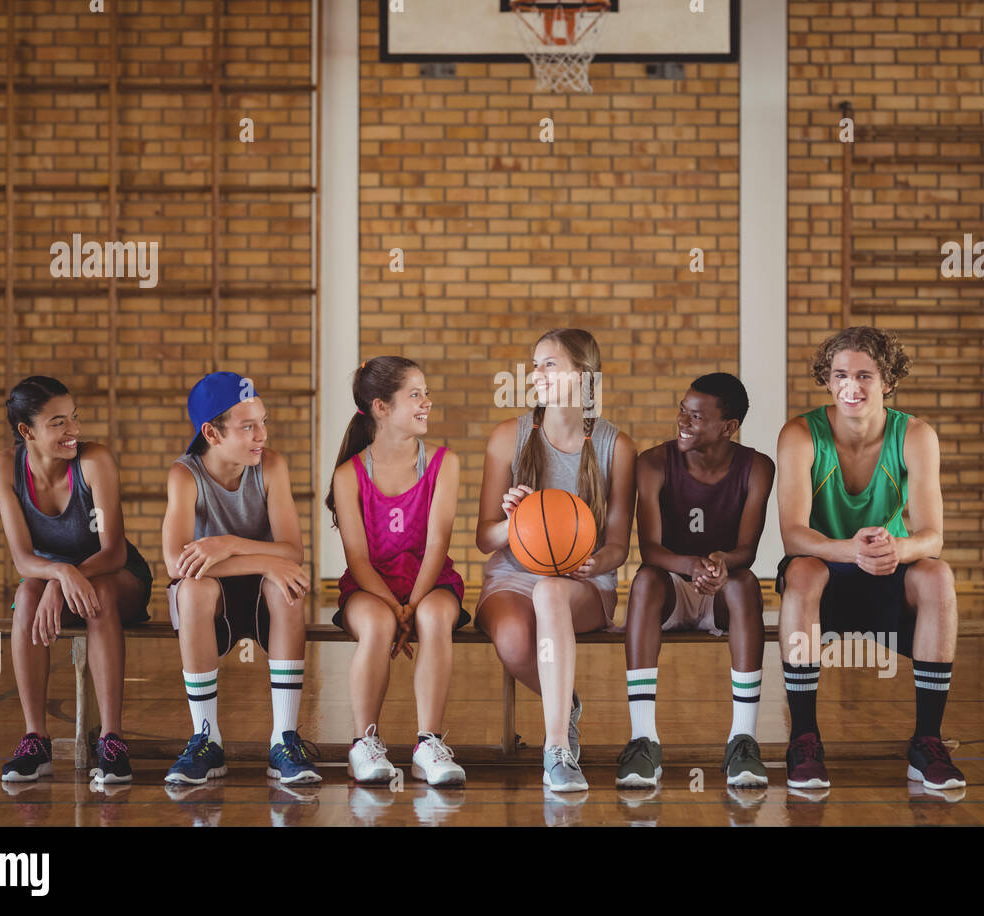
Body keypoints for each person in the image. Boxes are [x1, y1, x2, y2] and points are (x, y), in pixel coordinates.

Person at [775, 327, 965, 790]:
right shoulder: (801, 434)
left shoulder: (916, 435)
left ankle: (927, 741)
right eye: (840, 374)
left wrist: (899, 549)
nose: (851, 386)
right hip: (825, 574)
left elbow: (932, 537)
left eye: (864, 375)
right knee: (799, 571)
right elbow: (793, 535)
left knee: (938, 575)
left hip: (887, 573)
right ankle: (804, 738)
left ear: (889, 381)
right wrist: (850, 550)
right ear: (826, 378)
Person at [475, 328, 637, 793]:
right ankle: (567, 705)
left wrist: (596, 560)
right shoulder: (509, 436)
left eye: (550, 364)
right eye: (535, 364)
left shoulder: (615, 446)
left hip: (583, 584)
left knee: (550, 591)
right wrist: (515, 521)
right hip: (512, 576)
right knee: (512, 642)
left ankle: (557, 749)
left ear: (583, 376)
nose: (537, 373)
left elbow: (620, 545)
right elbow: (486, 538)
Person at [0, 376, 153, 784]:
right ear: (27, 431)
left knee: (95, 592)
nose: (74, 431)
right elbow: (24, 560)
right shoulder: (3, 467)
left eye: (74, 417)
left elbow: (113, 551)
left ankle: (112, 741)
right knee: (26, 595)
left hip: (115, 575)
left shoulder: (94, 461)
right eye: (59, 422)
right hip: (49, 582)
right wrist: (59, 575)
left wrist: (63, 581)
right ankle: (35, 740)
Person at [616, 373, 775, 788]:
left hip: (722, 590)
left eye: (697, 416)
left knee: (747, 582)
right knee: (645, 580)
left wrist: (723, 562)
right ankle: (643, 739)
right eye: (683, 410)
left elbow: (747, 550)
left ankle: (743, 740)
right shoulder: (652, 462)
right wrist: (692, 566)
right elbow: (650, 548)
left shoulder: (757, 467)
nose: (683, 421)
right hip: (672, 586)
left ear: (729, 427)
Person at [161, 371, 319, 786]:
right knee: (192, 589)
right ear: (211, 433)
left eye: (263, 422)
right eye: (248, 426)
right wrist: (263, 560)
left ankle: (283, 738)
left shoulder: (271, 466)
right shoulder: (185, 475)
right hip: (210, 592)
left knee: (287, 587)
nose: (261, 435)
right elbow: (176, 563)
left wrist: (228, 543)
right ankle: (206, 738)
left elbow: (292, 553)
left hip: (259, 589)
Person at [327, 357, 468, 786]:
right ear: (381, 407)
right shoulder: (348, 475)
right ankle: (364, 744)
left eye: (425, 393)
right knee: (376, 624)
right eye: (415, 395)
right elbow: (357, 559)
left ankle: (428, 743)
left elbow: (437, 545)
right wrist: (393, 606)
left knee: (436, 616)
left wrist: (413, 604)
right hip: (372, 586)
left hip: (430, 580)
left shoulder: (444, 462)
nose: (427, 402)